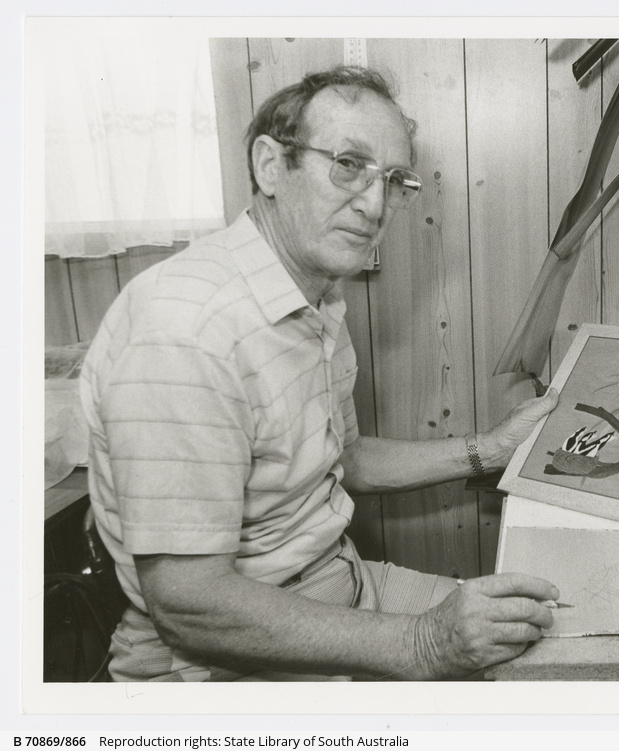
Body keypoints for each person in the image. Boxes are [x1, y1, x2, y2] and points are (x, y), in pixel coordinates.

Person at [79, 65, 560, 682]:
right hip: (223, 661)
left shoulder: (317, 296)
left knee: (550, 642)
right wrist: (421, 643)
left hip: (340, 587)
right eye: (348, 165)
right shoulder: (186, 328)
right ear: (271, 166)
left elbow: (344, 459)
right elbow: (188, 603)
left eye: (393, 179)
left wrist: (489, 450)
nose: (376, 203)